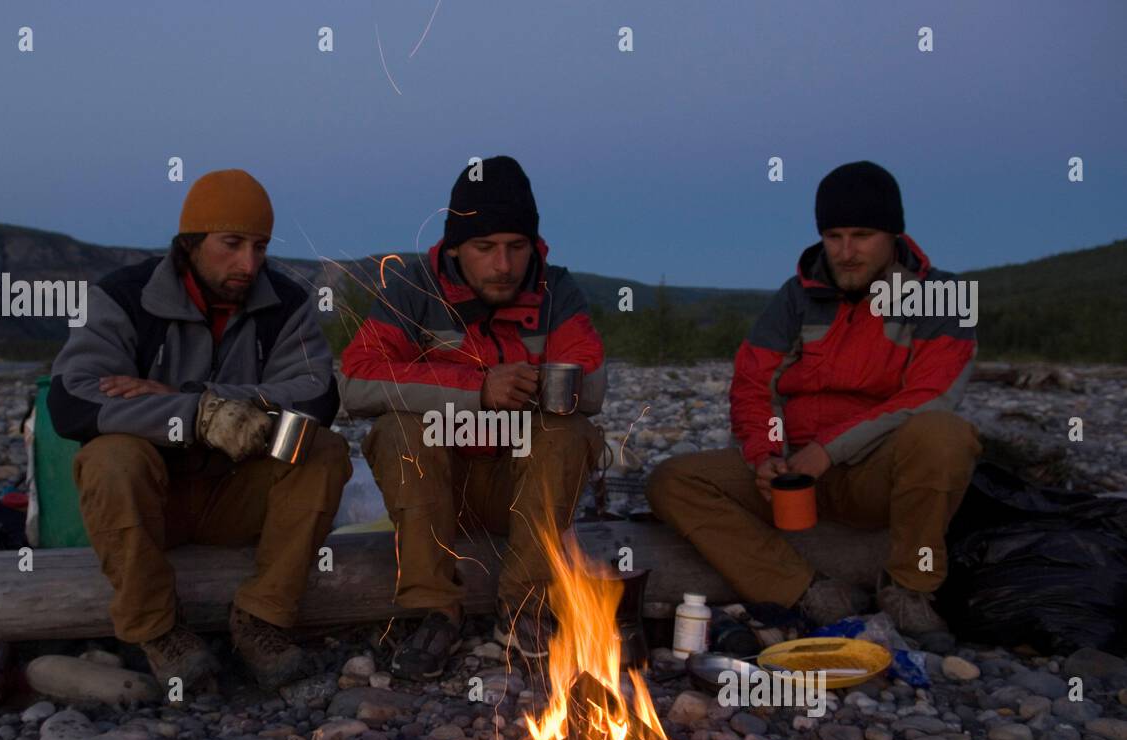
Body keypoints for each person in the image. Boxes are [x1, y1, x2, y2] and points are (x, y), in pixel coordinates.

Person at [48, 168, 351, 694]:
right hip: (153, 502)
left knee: (320, 449)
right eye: (231, 244)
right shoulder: (124, 296)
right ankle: (158, 631)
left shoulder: (284, 302)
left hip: (235, 495)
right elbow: (72, 401)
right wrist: (194, 418)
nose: (247, 264)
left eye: (259, 247)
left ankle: (261, 621)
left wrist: (206, 400)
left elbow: (317, 394)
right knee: (110, 457)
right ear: (191, 242)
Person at [647, 161, 980, 635]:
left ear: (893, 235)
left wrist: (828, 451)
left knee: (944, 436)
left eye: (862, 235)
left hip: (874, 475)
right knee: (673, 481)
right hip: (793, 475)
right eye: (834, 236)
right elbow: (752, 383)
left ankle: (909, 588)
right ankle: (808, 592)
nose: (845, 252)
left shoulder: (941, 295)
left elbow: (930, 397)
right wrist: (765, 455)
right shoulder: (797, 296)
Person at [339, 156, 607, 678]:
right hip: (441, 490)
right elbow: (356, 380)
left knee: (569, 427)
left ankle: (523, 608)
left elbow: (591, 384)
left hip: (520, 489)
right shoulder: (412, 287)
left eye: (516, 246)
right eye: (485, 248)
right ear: (456, 246)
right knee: (400, 428)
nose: (503, 265)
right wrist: (477, 390)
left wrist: (528, 381)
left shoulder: (557, 289)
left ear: (534, 245)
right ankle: (433, 610)